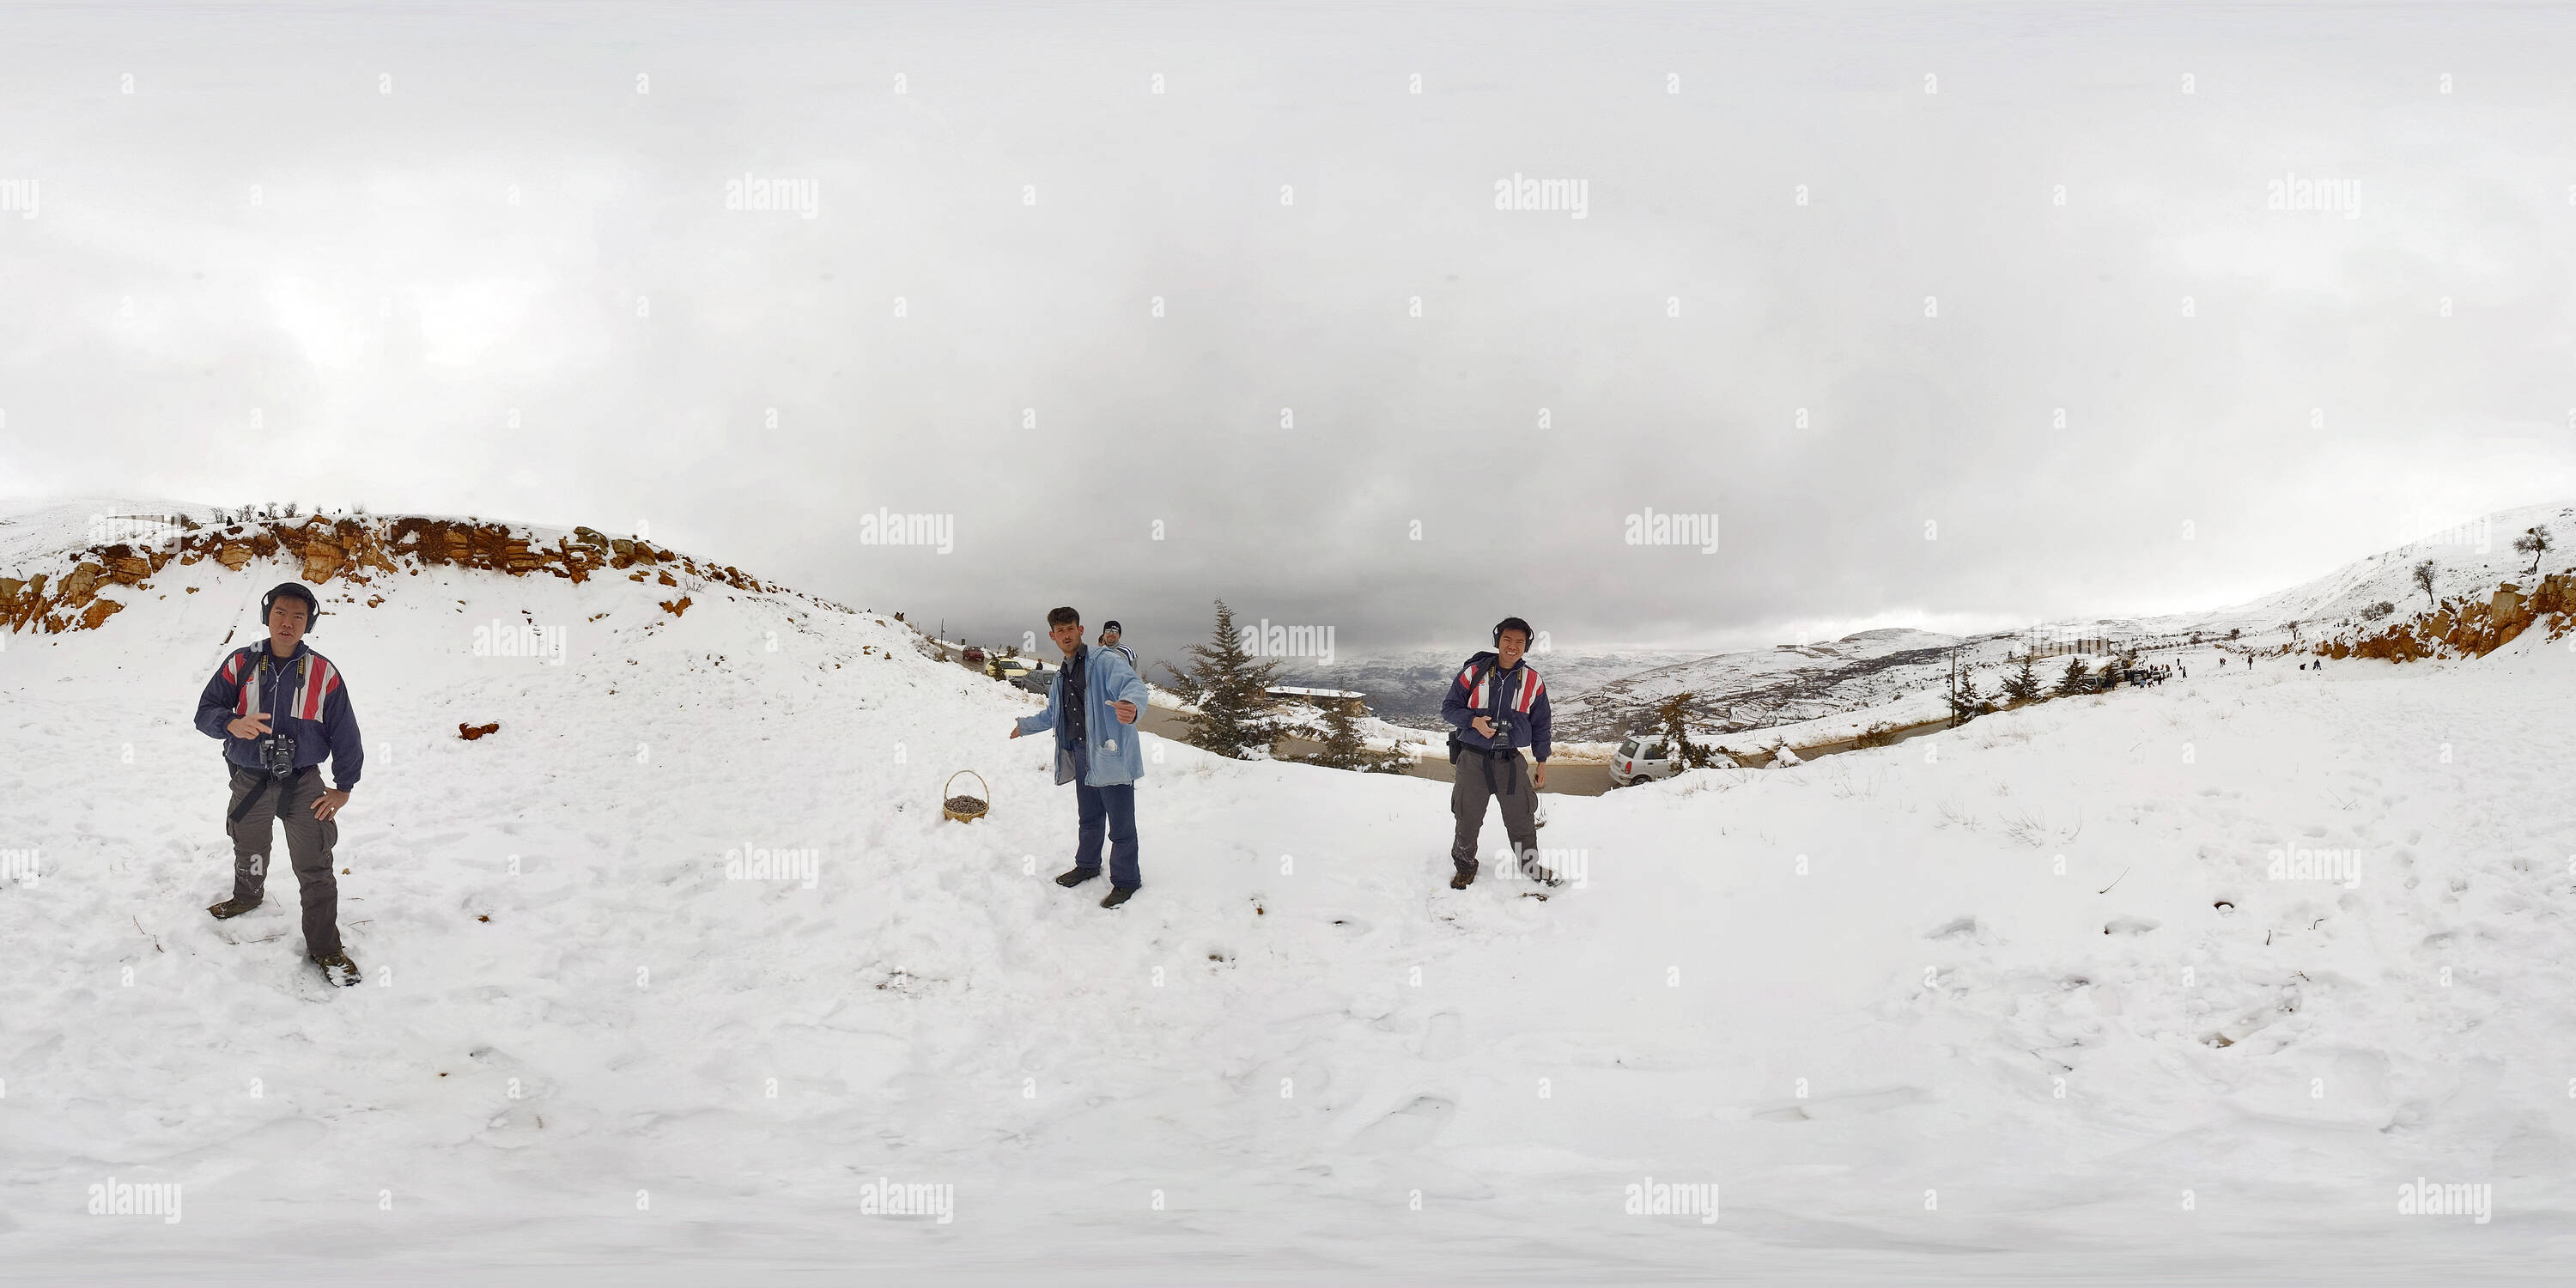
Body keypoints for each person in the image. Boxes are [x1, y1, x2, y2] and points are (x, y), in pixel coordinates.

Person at [195, 581, 366, 987]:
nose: (288, 623)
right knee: (249, 844)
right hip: (249, 778)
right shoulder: (241, 663)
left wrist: (344, 786)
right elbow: (205, 712)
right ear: (266, 616)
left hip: (305, 783)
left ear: (309, 623)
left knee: (315, 863)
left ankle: (325, 948)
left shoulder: (324, 672)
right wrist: (231, 722)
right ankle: (248, 896)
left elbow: (346, 732)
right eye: (280, 613)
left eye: (298, 617)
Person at [1010, 606, 1150, 908]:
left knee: (1121, 824)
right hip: (1082, 754)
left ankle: (1126, 881)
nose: (1066, 635)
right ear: (1053, 636)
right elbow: (1052, 714)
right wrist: (1024, 726)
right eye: (1060, 631)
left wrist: (1132, 705)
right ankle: (1087, 865)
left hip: (1110, 755)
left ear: (1080, 630)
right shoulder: (1060, 677)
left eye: (1070, 628)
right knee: (1089, 817)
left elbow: (1133, 685)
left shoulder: (1104, 661)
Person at [1440, 617, 1555, 890]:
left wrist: (1542, 761)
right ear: (1497, 642)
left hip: (1511, 760)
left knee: (1522, 818)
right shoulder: (1473, 673)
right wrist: (1473, 721)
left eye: (1519, 642)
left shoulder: (1533, 681)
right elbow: (1448, 708)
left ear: (1526, 646)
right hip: (1472, 758)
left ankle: (1530, 865)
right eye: (1507, 640)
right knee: (1467, 816)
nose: (1512, 646)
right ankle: (1465, 866)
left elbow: (1542, 723)